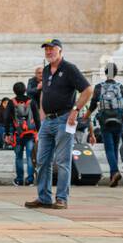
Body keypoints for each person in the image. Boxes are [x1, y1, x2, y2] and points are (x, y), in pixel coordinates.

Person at [27, 38, 91, 210]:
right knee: (41, 161)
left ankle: (62, 198)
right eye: (46, 49)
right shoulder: (46, 70)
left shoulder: (69, 69)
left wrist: (75, 110)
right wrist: (41, 115)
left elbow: (88, 90)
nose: (49, 52)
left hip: (64, 119)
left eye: (52, 49)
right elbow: (43, 94)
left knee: (62, 161)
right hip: (47, 121)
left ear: (60, 50)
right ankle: (44, 197)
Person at [88, 62, 123, 188]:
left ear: (105, 73)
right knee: (115, 148)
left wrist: (85, 115)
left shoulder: (99, 87)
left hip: (105, 121)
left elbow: (93, 104)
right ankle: (113, 175)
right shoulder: (121, 87)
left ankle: (114, 172)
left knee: (109, 149)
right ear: (115, 73)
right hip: (119, 120)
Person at [8, 81, 39, 187]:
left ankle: (19, 180)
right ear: (25, 90)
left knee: (19, 157)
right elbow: (37, 117)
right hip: (30, 133)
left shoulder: (11, 102)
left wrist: (7, 133)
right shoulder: (31, 101)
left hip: (17, 134)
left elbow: (7, 118)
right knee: (30, 157)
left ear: (14, 91)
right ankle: (30, 180)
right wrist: (38, 132)